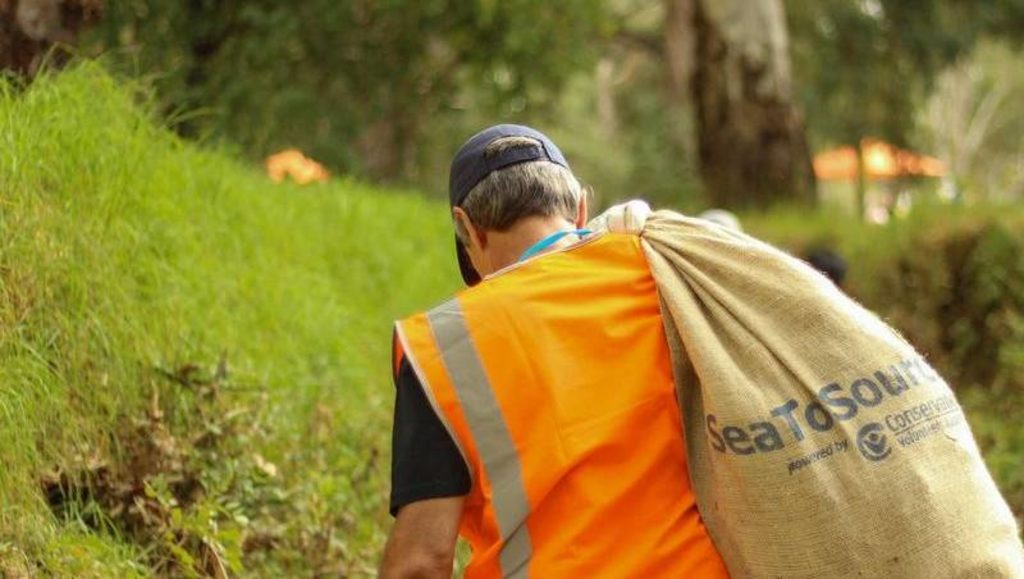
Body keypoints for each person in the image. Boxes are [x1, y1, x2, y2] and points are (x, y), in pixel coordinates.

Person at [380, 124, 727, 578]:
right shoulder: (664, 276)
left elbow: (421, 562)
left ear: (468, 228)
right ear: (582, 207)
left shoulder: (439, 345)